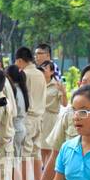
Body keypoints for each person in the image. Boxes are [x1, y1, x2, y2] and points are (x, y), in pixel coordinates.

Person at [15, 46, 46, 180]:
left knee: (25, 153)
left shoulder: (25, 74)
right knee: (36, 151)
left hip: (28, 118)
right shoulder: (41, 74)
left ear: (20, 60)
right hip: (40, 117)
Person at [5, 63, 31, 180]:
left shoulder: (14, 90)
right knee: (15, 161)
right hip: (20, 126)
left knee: (13, 162)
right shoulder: (21, 89)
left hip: (15, 127)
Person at [32, 44, 58, 173]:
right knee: (40, 146)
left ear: (47, 55)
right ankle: (42, 172)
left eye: (39, 53)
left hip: (50, 116)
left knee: (49, 146)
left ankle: (48, 172)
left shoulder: (54, 69)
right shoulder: (35, 71)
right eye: (35, 54)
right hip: (39, 116)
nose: (36, 56)